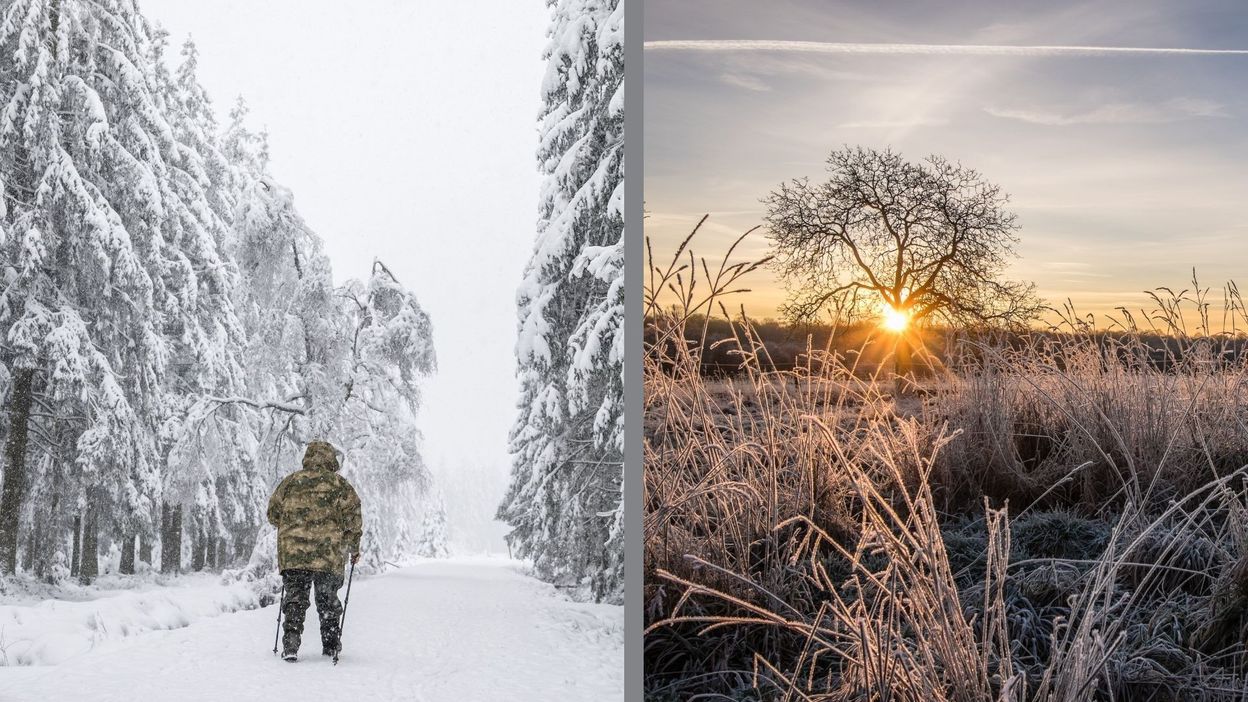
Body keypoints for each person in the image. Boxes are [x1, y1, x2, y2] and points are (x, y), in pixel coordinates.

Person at [267, 440, 363, 662]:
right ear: (331, 459)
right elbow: (353, 518)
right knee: (327, 598)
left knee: (295, 598)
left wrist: (294, 525)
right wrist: (353, 548)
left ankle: (291, 644)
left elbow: (273, 515)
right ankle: (331, 645)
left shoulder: (290, 482)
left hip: (294, 554)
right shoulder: (339, 485)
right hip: (328, 555)